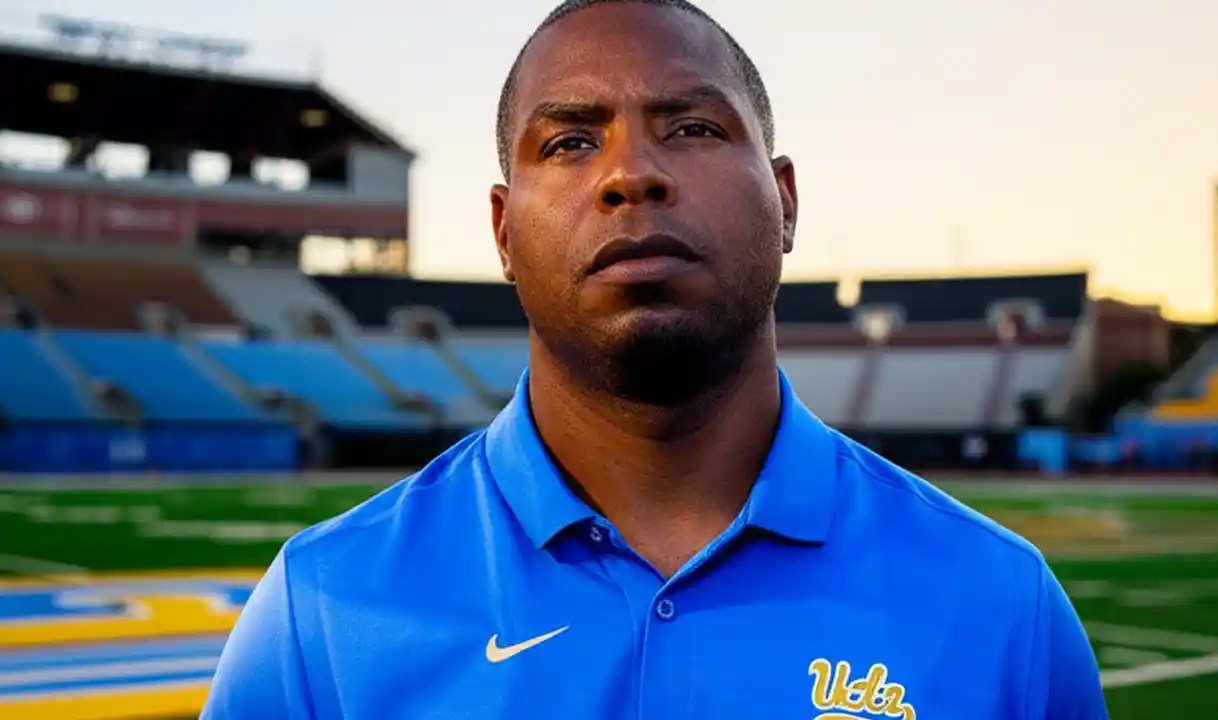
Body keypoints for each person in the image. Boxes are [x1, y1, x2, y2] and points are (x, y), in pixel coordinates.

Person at [202, 1, 1108, 717]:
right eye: (570, 141)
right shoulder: (321, 616)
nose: (631, 172)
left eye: (693, 128)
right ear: (503, 232)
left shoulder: (1003, 608)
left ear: (786, 202)